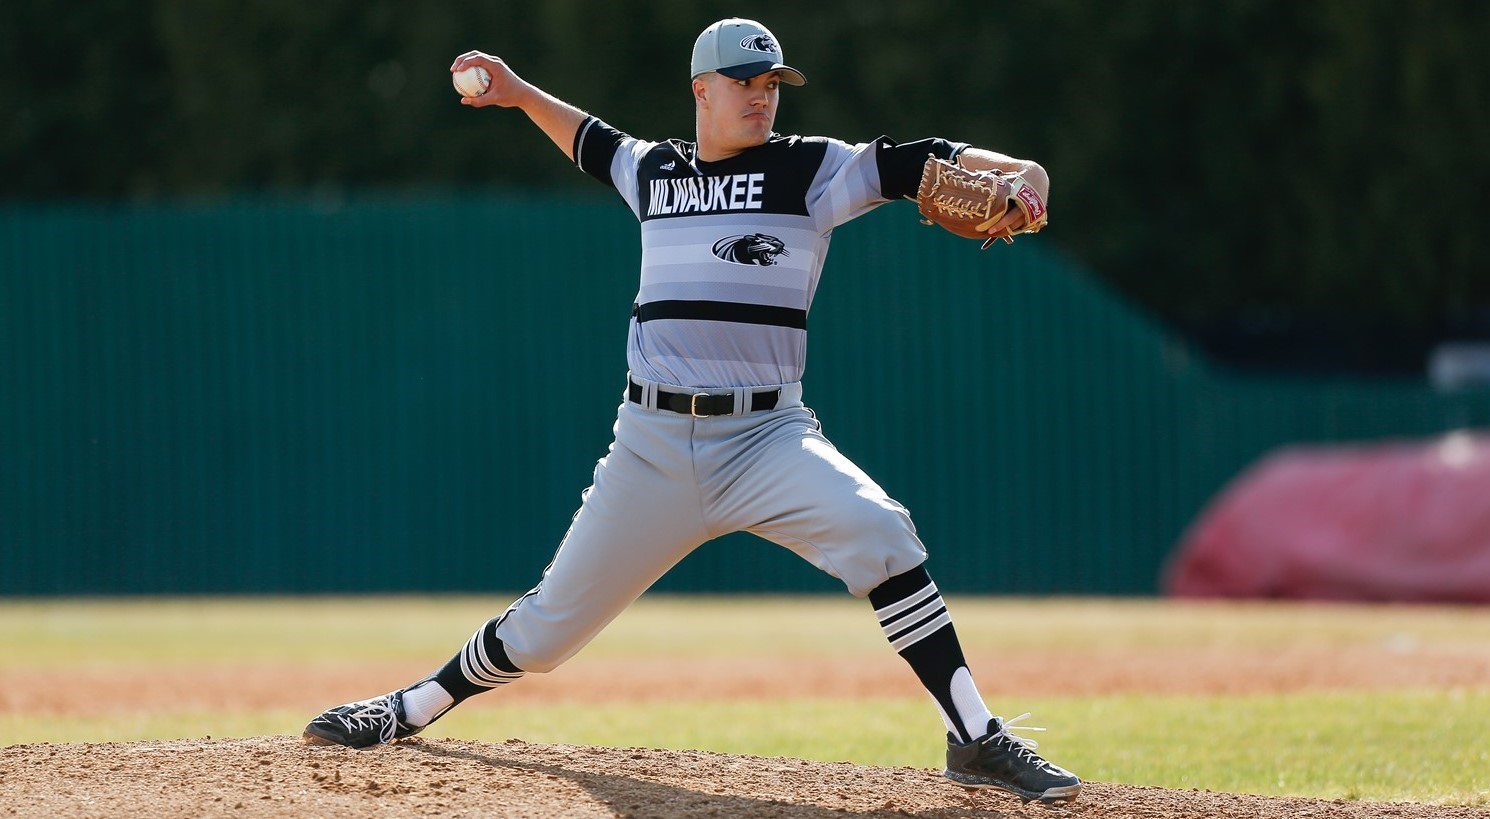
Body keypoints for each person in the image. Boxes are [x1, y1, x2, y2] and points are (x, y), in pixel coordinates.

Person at [303, 18, 1080, 805]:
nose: (761, 97)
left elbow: (919, 161)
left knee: (880, 533)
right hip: (653, 446)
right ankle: (408, 706)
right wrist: (517, 93)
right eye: (744, 82)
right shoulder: (655, 171)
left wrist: (1024, 173)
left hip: (767, 437)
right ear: (701, 90)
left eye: (771, 84)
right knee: (546, 629)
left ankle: (974, 735)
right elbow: (591, 141)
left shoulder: (811, 169)